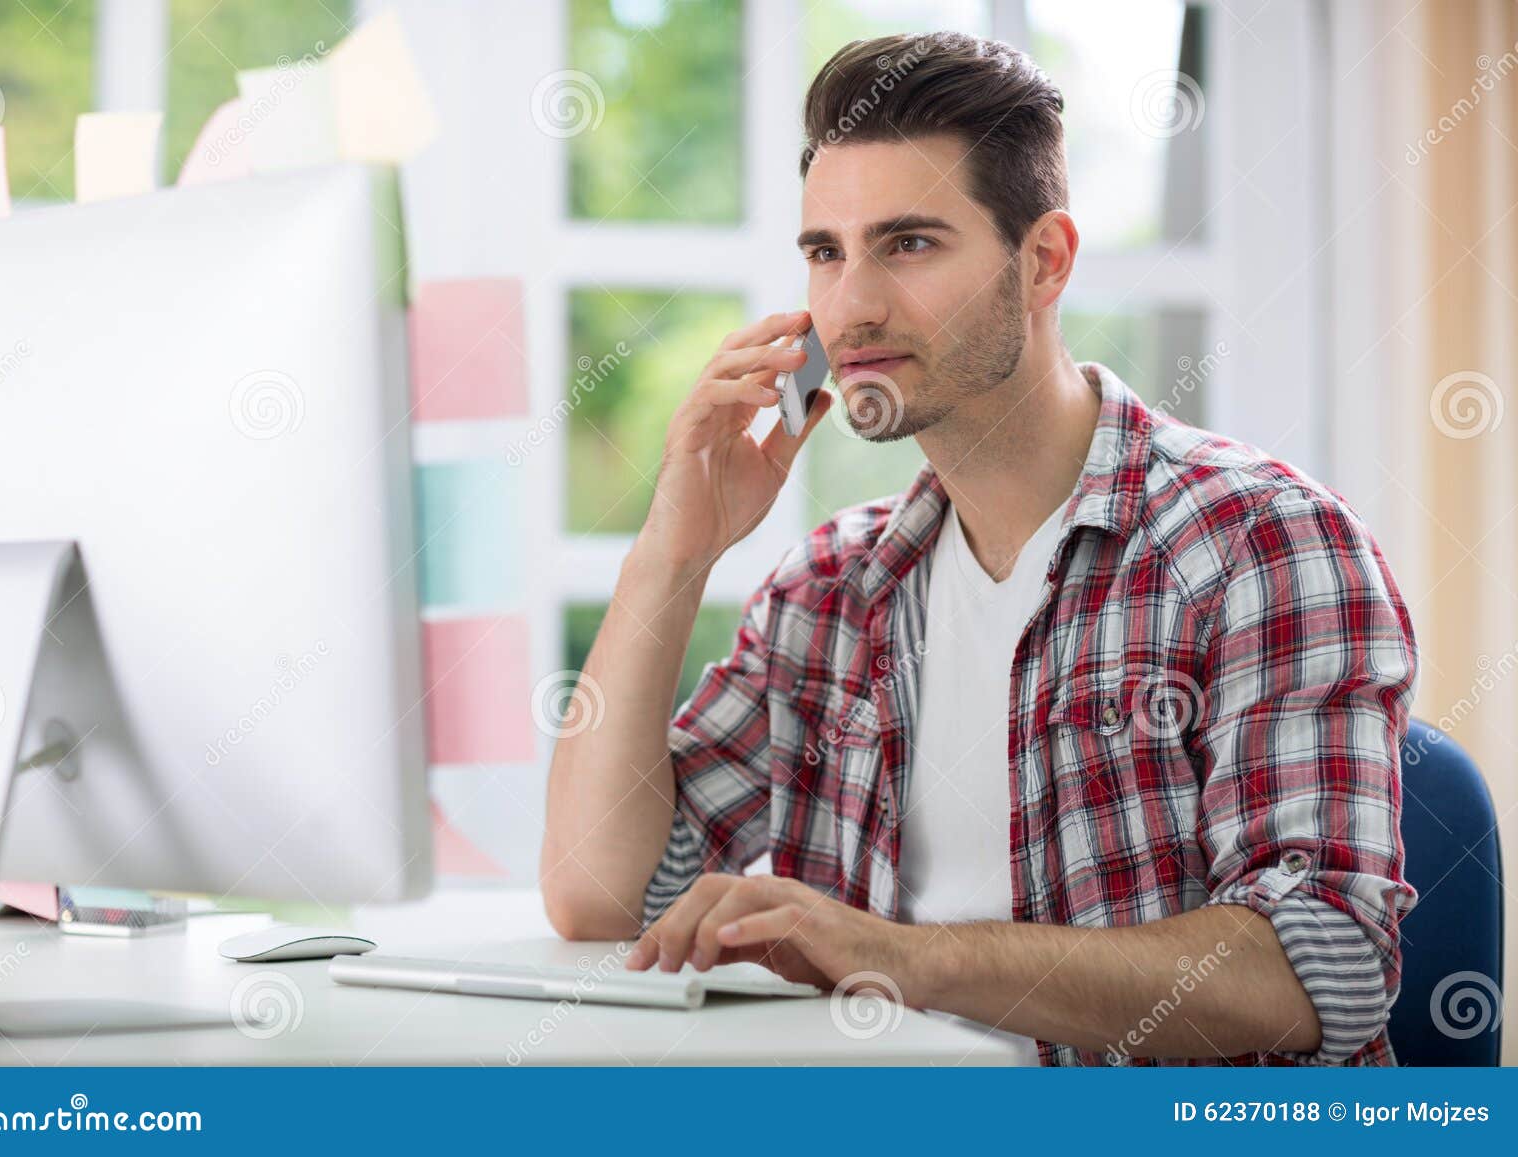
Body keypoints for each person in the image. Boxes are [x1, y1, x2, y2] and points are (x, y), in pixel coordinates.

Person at [540, 31, 1418, 1066]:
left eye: (908, 243)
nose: (853, 304)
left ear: (1042, 260)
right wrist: (672, 551)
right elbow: (602, 893)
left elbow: (1317, 971)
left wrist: (904, 956)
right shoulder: (833, 587)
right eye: (826, 251)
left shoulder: (1257, 542)